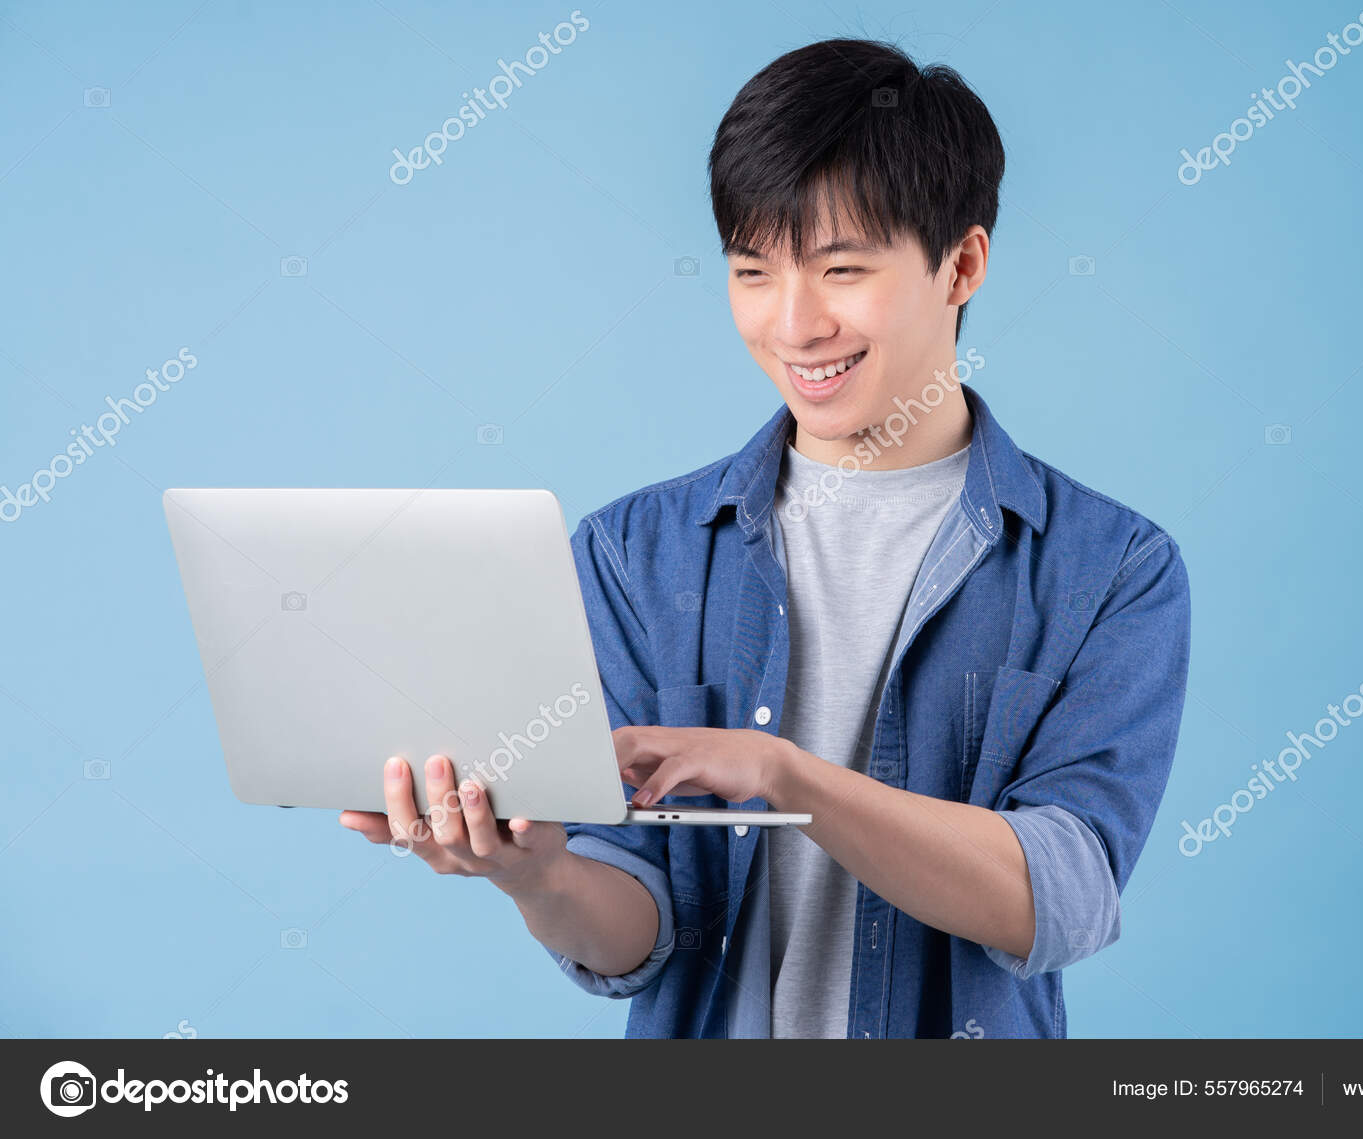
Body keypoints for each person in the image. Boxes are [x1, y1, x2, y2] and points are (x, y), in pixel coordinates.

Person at [339, 37, 1190, 1039]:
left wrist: (786, 775)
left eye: (841, 269)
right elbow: (639, 929)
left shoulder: (1111, 568)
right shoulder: (634, 554)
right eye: (752, 270)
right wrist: (539, 876)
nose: (793, 324)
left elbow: (1063, 898)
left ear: (961, 265)